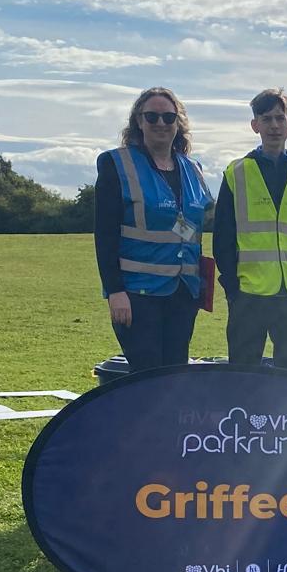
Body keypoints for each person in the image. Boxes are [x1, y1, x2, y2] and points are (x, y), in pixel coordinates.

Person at [93, 87, 211, 372]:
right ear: (138, 122)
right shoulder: (116, 163)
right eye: (152, 116)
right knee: (146, 378)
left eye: (169, 117)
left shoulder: (193, 168)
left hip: (183, 293)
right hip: (137, 294)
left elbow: (195, 231)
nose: (161, 123)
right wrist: (115, 291)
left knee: (173, 377)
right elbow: (105, 234)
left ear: (178, 124)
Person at [214, 88, 287, 374]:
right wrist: (231, 284)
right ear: (255, 125)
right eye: (266, 119)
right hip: (249, 294)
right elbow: (222, 235)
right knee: (243, 374)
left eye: (279, 118)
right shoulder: (235, 174)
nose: (274, 125)